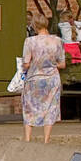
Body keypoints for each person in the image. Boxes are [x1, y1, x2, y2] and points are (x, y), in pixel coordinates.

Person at [21, 12, 66, 144]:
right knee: (50, 108)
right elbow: (62, 64)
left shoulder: (30, 41)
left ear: (34, 26)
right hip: (52, 79)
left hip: (34, 79)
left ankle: (28, 139)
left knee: (29, 107)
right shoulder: (58, 41)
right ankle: (46, 140)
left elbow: (26, 63)